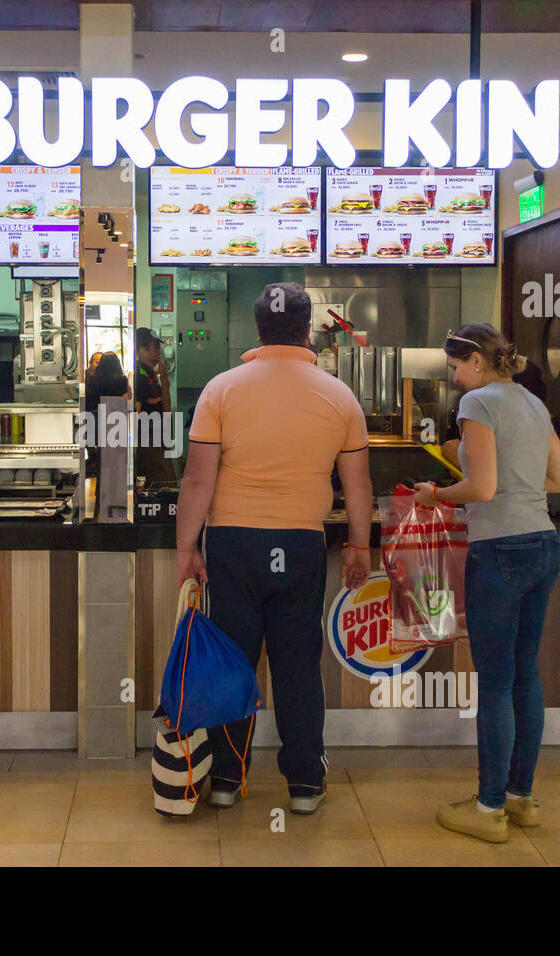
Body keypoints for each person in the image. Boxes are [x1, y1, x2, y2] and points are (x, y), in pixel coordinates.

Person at [175, 281, 372, 815]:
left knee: (234, 664)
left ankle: (225, 779)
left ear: (257, 328)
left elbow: (197, 480)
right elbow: (358, 486)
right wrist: (359, 544)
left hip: (232, 546)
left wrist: (186, 548)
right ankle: (305, 783)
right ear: (308, 329)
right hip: (302, 545)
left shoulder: (221, 389)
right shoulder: (339, 395)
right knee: (298, 667)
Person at [416, 323, 560, 843]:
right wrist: (517, 488)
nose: (454, 376)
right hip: (543, 545)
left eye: (456, 366)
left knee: (497, 682)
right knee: (526, 676)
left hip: (501, 550)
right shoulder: (530, 402)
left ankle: (487, 809)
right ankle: (519, 798)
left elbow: (481, 488)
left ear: (478, 363)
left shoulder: (478, 404)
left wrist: (434, 495)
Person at [134, 327, 177, 486]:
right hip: (148, 439)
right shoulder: (139, 375)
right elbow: (136, 415)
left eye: (156, 347)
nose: (154, 353)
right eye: (147, 349)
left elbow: (166, 409)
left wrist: (164, 380)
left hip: (160, 434)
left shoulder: (152, 373)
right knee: (160, 481)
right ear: (137, 350)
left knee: (167, 479)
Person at [83, 352, 129, 478]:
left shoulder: (93, 379)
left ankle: (99, 479)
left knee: (100, 452)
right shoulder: (122, 380)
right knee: (114, 456)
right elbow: (126, 399)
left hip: (96, 417)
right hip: (115, 418)